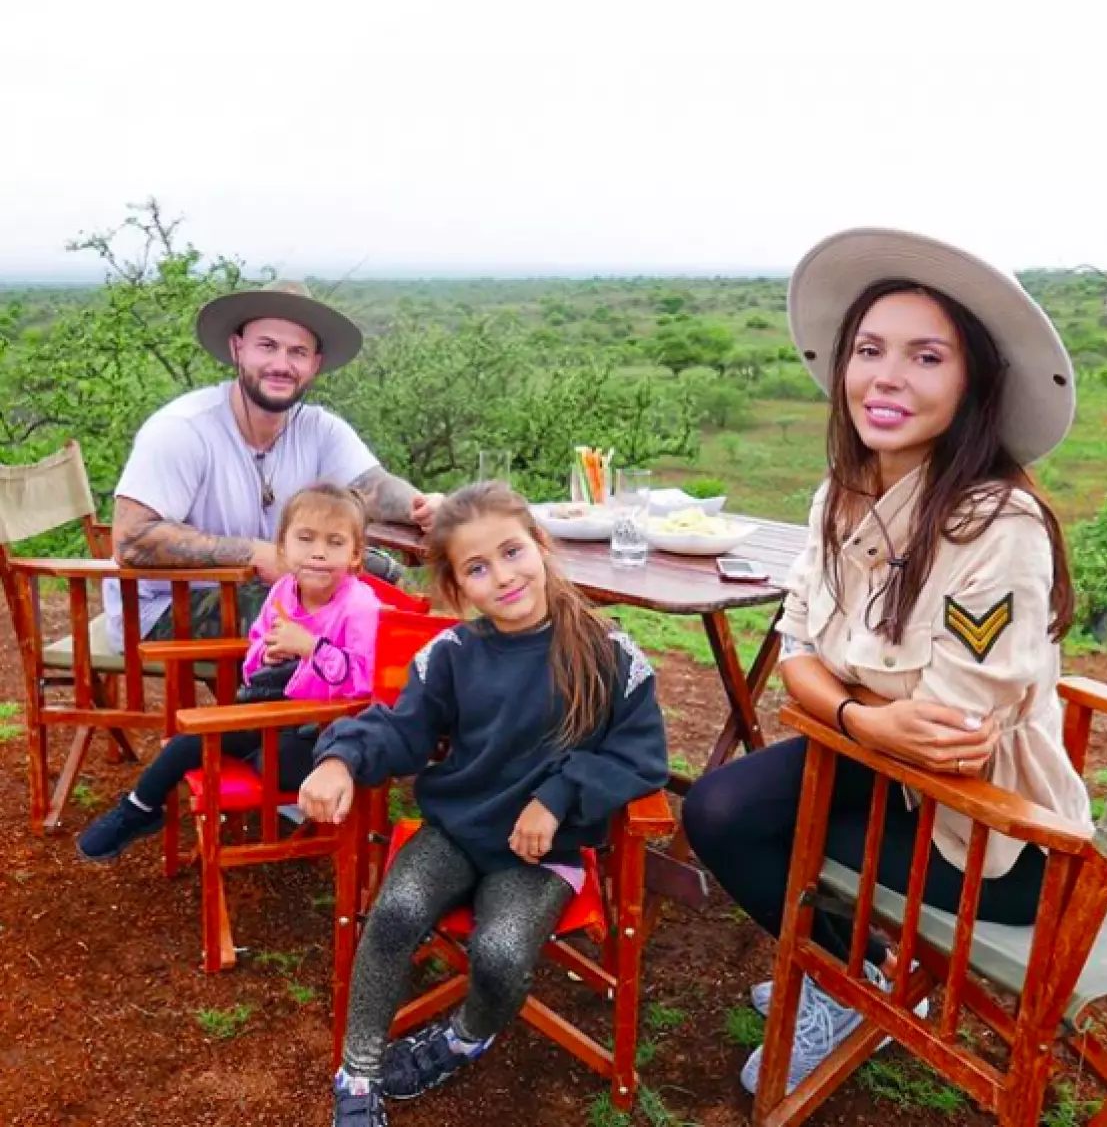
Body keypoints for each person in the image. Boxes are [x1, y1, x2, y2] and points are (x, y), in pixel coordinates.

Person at [681, 227, 1092, 1095]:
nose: (886, 376)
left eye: (926, 356)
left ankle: (831, 974)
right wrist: (862, 712)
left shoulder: (997, 527)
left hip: (987, 832)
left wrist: (838, 696)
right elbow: (796, 648)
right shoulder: (841, 493)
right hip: (874, 759)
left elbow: (951, 740)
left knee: (762, 825)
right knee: (717, 808)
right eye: (869, 349)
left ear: (972, 381)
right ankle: (849, 974)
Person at [298, 481, 669, 1127]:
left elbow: (642, 759)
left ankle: (464, 1035)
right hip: (456, 831)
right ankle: (357, 1075)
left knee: (499, 955)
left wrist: (558, 797)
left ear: (542, 545)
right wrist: (340, 758)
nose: (502, 576)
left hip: (542, 853)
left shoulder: (609, 654)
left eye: (512, 552)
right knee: (395, 914)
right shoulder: (452, 655)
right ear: (457, 586)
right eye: (477, 567)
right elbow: (400, 728)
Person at [101, 279, 441, 652]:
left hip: (270, 587)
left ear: (315, 364)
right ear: (237, 349)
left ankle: (392, 699)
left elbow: (373, 487)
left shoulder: (318, 428)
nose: (281, 365)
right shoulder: (183, 429)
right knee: (310, 610)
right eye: (267, 346)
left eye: (297, 352)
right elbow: (131, 540)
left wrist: (423, 507)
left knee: (383, 580)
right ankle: (300, 708)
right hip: (164, 605)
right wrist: (257, 553)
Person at [79, 483, 381, 861]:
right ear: (284, 549)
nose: (318, 552)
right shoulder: (284, 590)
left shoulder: (359, 607)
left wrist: (310, 648)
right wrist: (265, 657)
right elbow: (255, 646)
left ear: (355, 556)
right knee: (187, 742)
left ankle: (265, 765)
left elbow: (365, 681)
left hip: (323, 729)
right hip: (268, 709)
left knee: (275, 763)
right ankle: (138, 809)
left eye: (335, 542)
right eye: (306, 539)